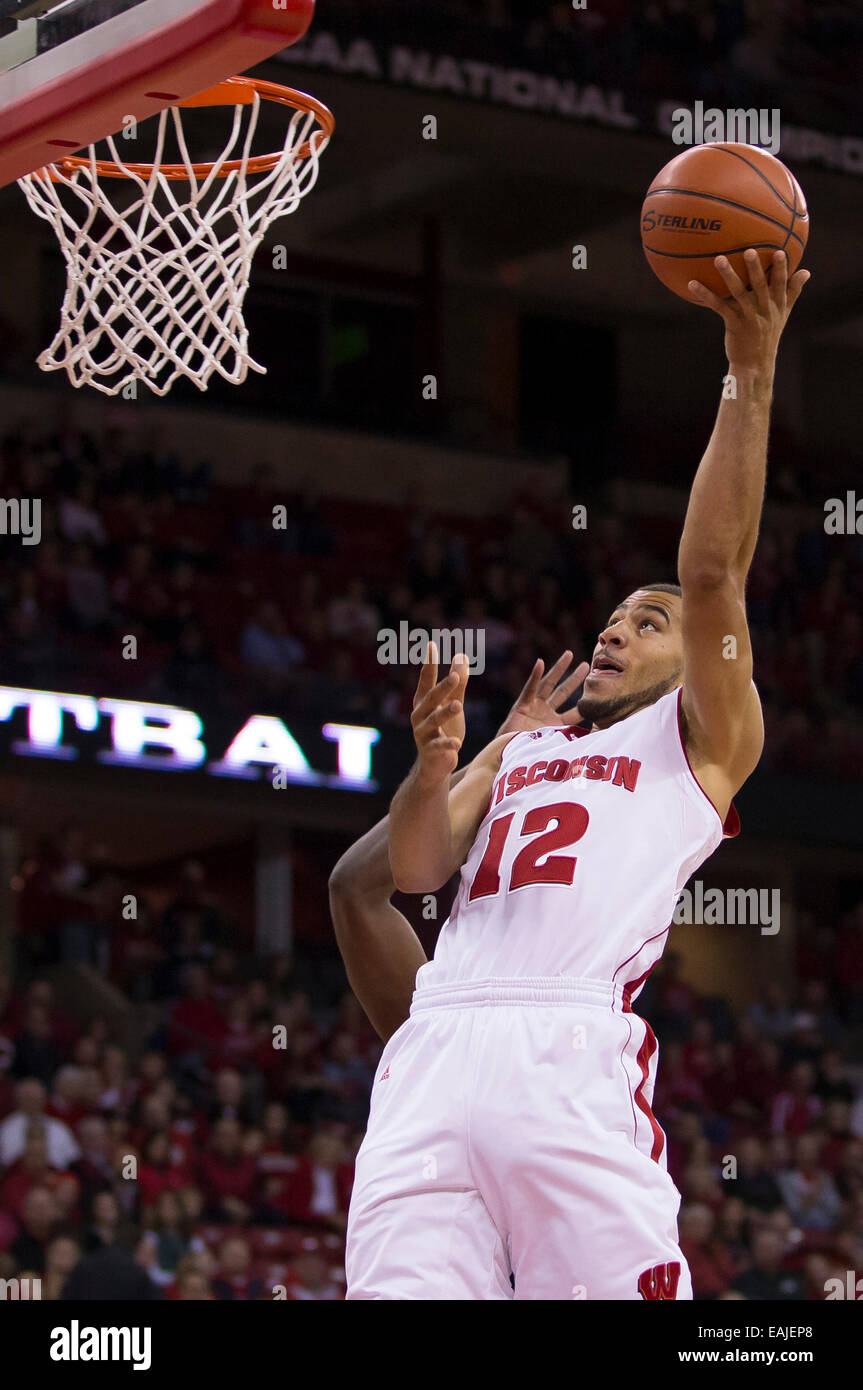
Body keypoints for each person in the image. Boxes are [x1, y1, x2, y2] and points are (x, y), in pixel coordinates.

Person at [334, 250, 810, 1299]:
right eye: (610, 619)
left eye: (646, 624)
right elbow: (407, 874)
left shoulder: (700, 745)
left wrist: (747, 361)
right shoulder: (529, 746)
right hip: (435, 1044)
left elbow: (707, 572)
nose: (615, 629)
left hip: (565, 1045)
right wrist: (440, 762)